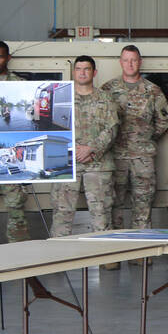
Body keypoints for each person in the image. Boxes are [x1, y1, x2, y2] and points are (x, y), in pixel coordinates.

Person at [103, 45, 168, 238]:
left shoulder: (152, 90)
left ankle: (141, 251)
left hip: (143, 158)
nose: (130, 64)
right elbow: (100, 120)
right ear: (120, 62)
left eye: (134, 60)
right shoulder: (108, 89)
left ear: (139, 62)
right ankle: (114, 251)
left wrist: (147, 137)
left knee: (143, 204)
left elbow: (163, 120)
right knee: (114, 205)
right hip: (116, 156)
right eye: (126, 60)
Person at [50, 56, 119, 239]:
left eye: (86, 69)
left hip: (98, 164)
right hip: (66, 163)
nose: (82, 72)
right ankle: (57, 258)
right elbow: (52, 128)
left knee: (101, 213)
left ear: (94, 72)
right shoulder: (61, 98)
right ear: (74, 72)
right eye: (79, 69)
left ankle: (107, 259)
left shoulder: (105, 99)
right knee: (62, 213)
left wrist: (91, 149)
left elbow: (111, 129)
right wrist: (73, 149)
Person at [0, 41, 30, 242]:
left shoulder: (19, 85)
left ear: (8, 57)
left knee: (16, 208)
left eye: (0, 56)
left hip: (9, 152)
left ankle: (20, 261)